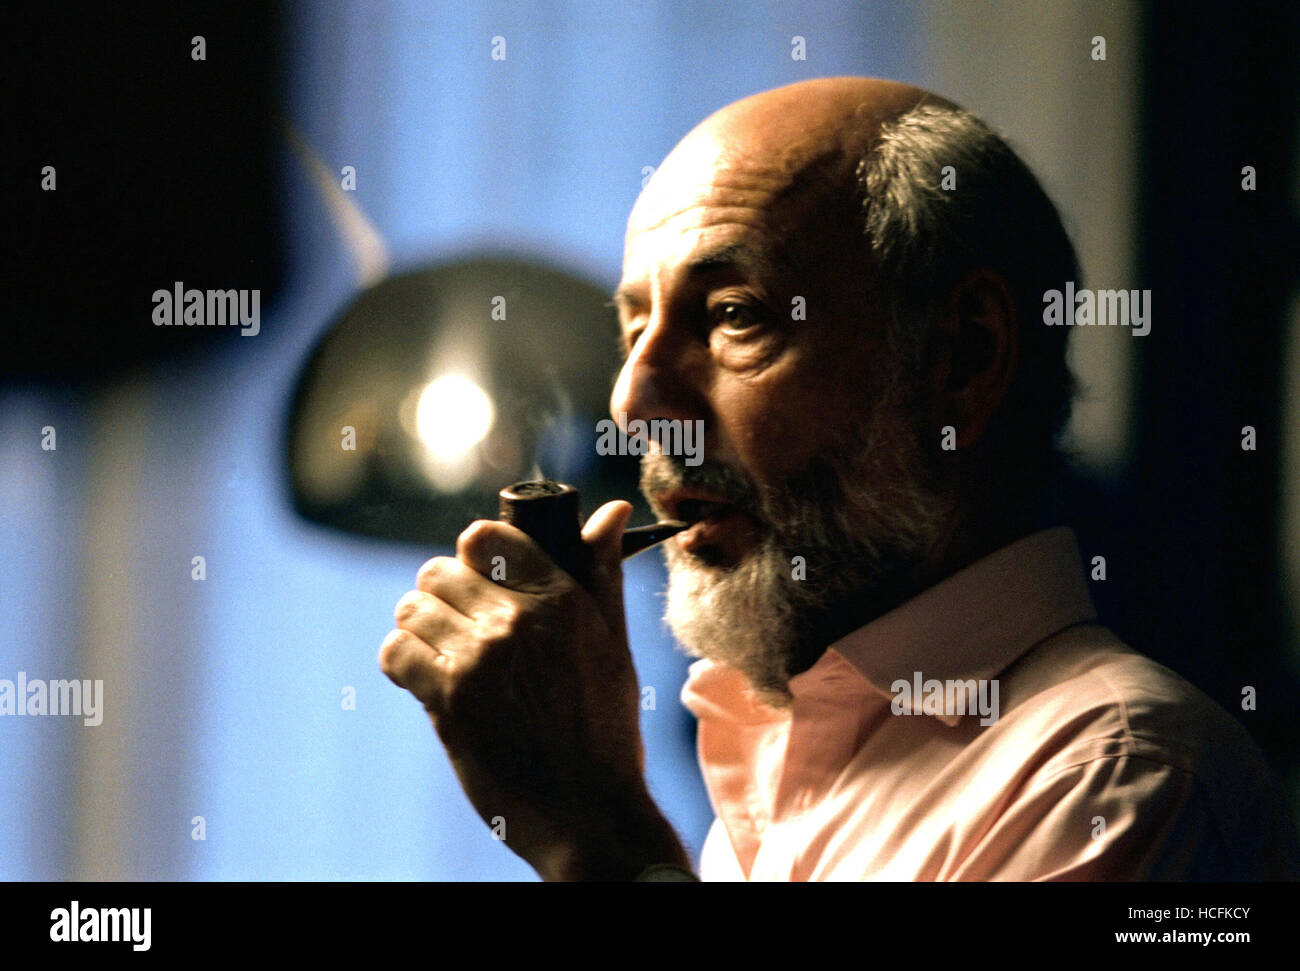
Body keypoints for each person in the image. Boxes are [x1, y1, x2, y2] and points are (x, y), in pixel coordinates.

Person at [379, 77, 1299, 880]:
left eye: (734, 315)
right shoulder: (776, 747)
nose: (633, 402)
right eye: (634, 330)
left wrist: (597, 834)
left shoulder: (1121, 781)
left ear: (962, 356)